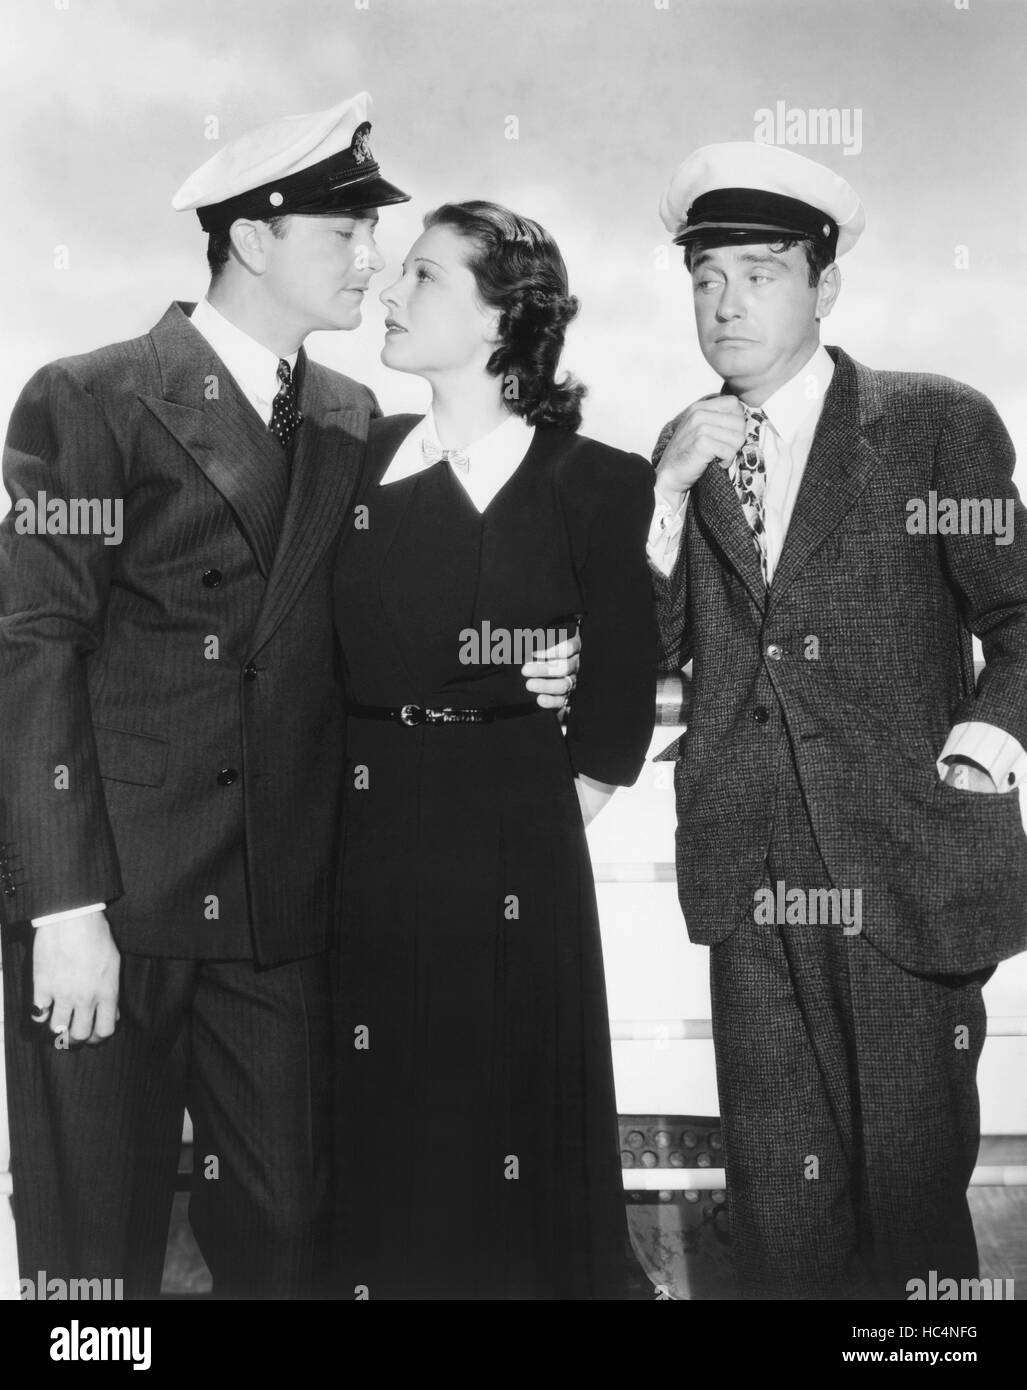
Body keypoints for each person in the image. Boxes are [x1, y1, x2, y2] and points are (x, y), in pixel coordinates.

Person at [0, 96, 574, 1300]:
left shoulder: (350, 417)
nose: (372, 261)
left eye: (377, 240)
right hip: (116, 906)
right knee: (91, 1261)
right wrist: (62, 906)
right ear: (252, 240)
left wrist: (527, 654)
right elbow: (32, 646)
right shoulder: (88, 397)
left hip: (281, 913)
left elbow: (387, 624)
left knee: (295, 1237)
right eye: (343, 234)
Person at [648, 142, 1027, 1299]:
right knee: (780, 1219)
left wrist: (972, 759)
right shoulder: (683, 448)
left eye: (759, 273)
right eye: (706, 276)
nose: (726, 304)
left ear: (825, 286)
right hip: (749, 877)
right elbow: (648, 655)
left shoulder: (930, 424)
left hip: (903, 872)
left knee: (910, 1213)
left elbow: (1018, 616)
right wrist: (660, 500)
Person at [331, 200, 658, 1300]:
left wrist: (530, 819)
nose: (390, 290)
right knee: (379, 1115)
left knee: (511, 1110)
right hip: (359, 828)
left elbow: (616, 707)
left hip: (515, 840)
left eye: (422, 275)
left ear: (497, 318)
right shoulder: (348, 460)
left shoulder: (595, 481)